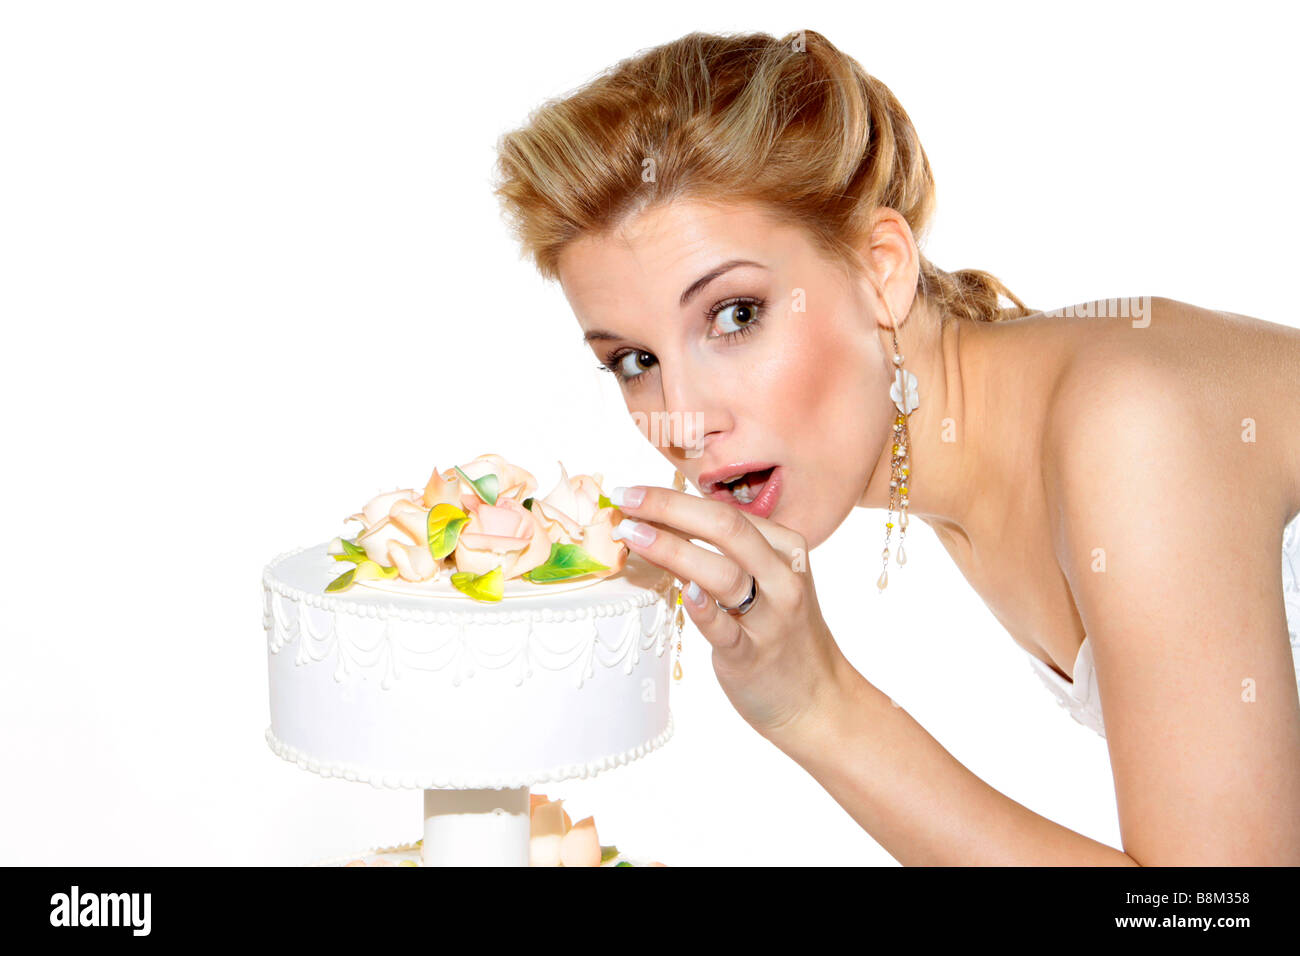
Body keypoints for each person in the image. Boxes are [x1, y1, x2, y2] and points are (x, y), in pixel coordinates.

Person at [492, 28, 1300, 865]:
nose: (683, 419)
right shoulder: (991, 451)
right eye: (635, 361)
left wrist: (817, 704)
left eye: (735, 315)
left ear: (882, 269)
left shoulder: (1128, 425)